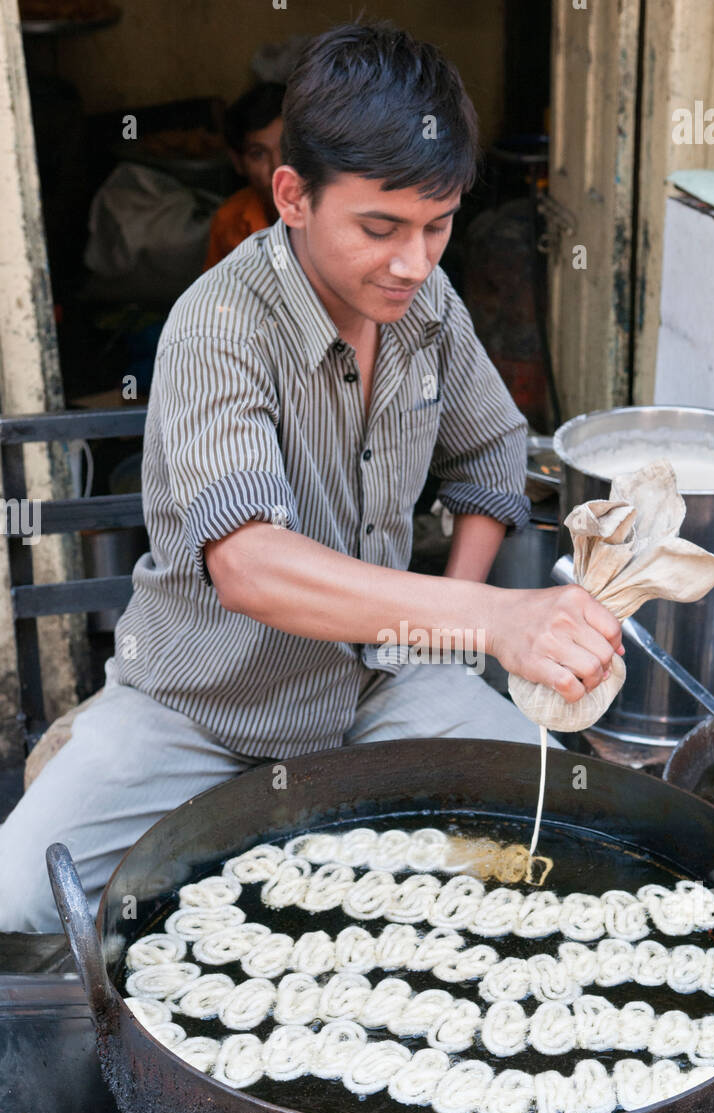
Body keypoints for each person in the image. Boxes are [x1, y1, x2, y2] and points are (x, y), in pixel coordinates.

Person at [0, 21, 622, 933]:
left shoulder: (427, 305)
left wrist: (438, 636)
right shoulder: (220, 327)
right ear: (291, 195)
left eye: (437, 225)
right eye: (379, 227)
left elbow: (489, 452)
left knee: (576, 851)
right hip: (200, 710)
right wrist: (493, 619)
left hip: (383, 687)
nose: (413, 261)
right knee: (15, 911)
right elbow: (247, 565)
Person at [202, 82, 285, 270]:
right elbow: (216, 294)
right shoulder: (229, 221)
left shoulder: (336, 211)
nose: (277, 166)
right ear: (238, 162)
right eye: (258, 154)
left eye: (287, 147)